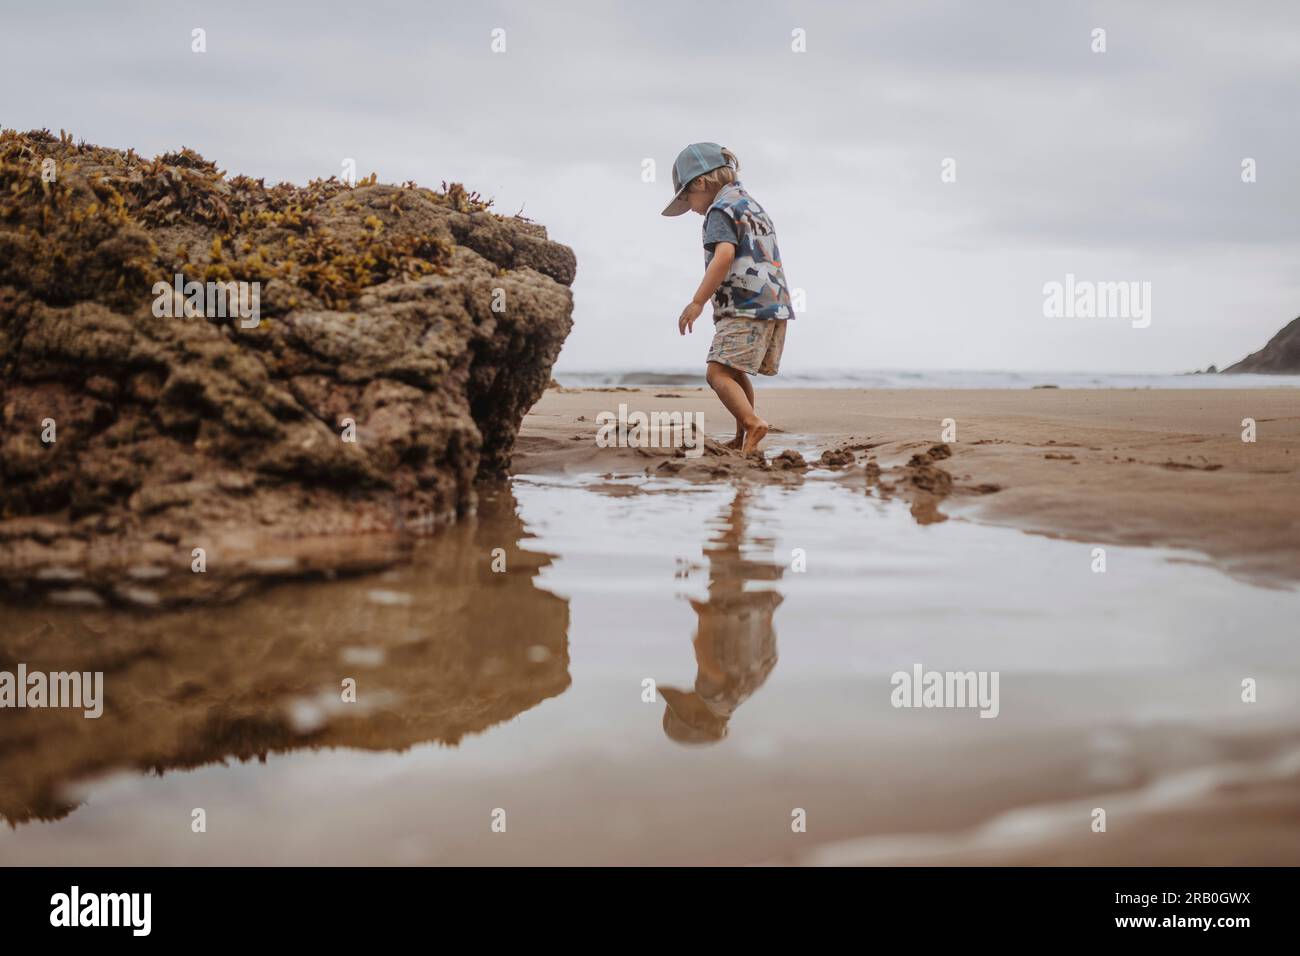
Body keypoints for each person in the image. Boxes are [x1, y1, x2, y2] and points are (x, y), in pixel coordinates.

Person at [663, 142, 794, 454]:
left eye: (687, 197)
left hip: (744, 306)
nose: (691, 207)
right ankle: (743, 433)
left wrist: (697, 302)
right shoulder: (752, 206)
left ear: (701, 182)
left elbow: (723, 256)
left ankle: (752, 423)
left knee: (717, 372)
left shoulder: (720, 211)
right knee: (734, 371)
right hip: (773, 305)